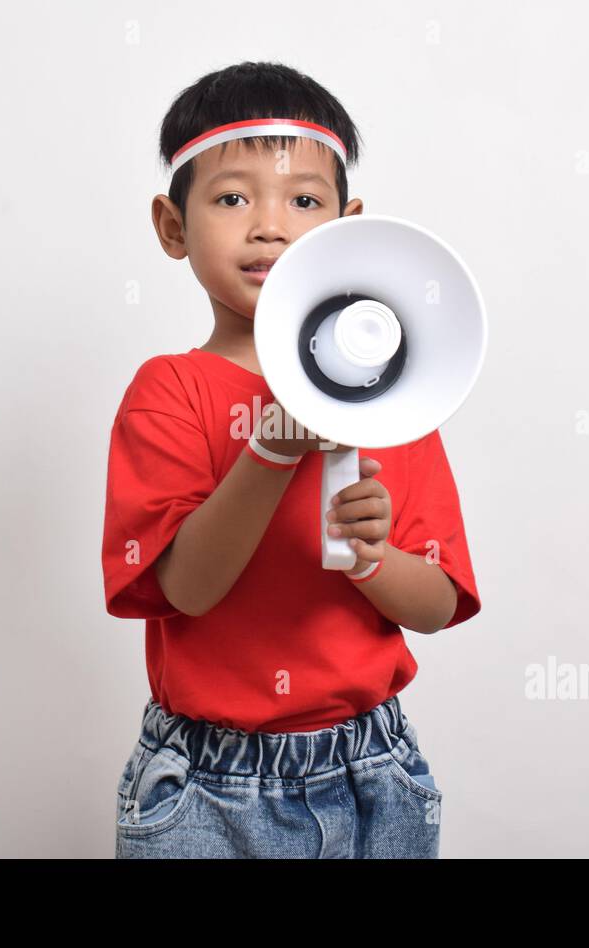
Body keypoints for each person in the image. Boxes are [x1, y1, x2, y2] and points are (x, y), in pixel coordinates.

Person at [101, 61, 481, 858]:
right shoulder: (168, 392)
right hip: (209, 786)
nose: (269, 226)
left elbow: (439, 605)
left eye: (304, 200)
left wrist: (374, 560)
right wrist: (273, 445)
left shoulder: (396, 397)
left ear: (350, 224)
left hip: (371, 770)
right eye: (232, 197)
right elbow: (189, 589)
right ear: (174, 226)